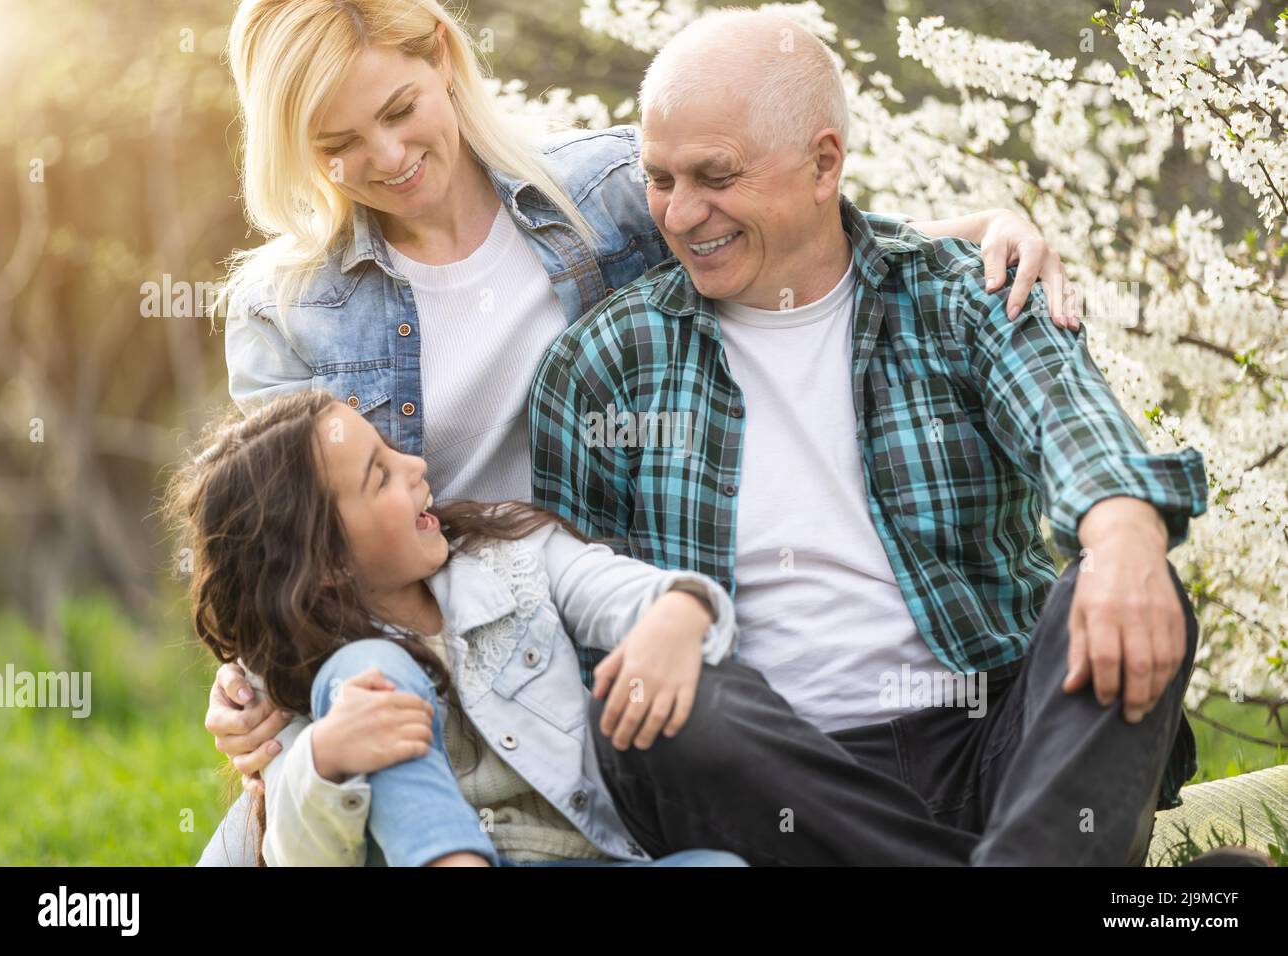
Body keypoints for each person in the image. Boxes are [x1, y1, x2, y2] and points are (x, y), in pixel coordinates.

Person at [201, 0, 1076, 865]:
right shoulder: (287, 308)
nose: (385, 158)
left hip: (586, 627)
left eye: (398, 112)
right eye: (336, 144)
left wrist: (980, 231)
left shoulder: (608, 191)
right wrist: (244, 675)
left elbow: (807, 243)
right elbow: (279, 530)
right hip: (411, 662)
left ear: (441, 57)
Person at [524, 8, 1207, 866]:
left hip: (994, 747)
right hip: (770, 773)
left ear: (823, 164)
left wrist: (1125, 533)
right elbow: (580, 602)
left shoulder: (964, 298)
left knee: (1128, 574)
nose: (681, 212)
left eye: (716, 175)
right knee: (646, 704)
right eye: (658, 179)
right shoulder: (604, 364)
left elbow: (1070, 424)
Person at [168, 389, 746, 867]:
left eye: (392, 451)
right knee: (368, 674)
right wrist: (325, 756)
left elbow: (625, 591)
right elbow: (301, 857)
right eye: (380, 477)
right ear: (328, 561)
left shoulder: (511, 558)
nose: (415, 467)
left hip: (583, 855)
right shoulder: (301, 673)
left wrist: (680, 612)